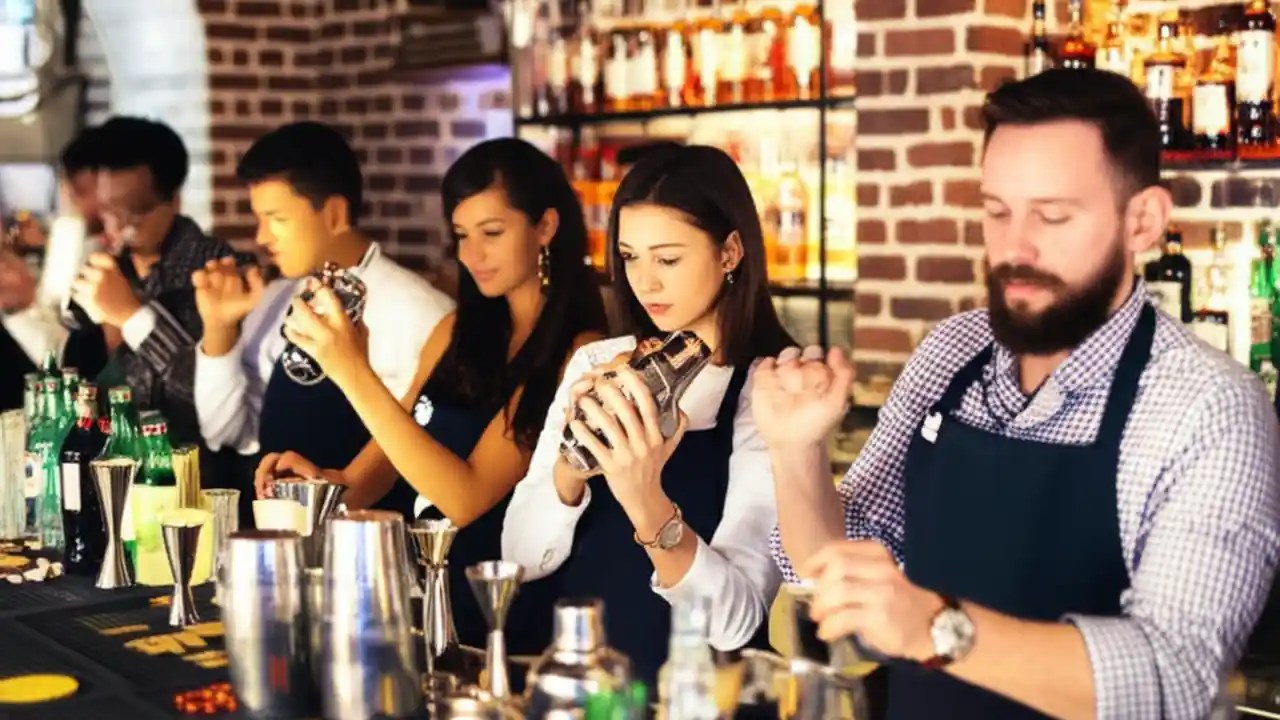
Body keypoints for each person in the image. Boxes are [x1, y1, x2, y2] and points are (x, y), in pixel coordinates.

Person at [759, 69, 1280, 719]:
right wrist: (795, 452)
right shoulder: (950, 353)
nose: (1014, 247)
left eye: (1053, 216)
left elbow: (1171, 680)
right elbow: (833, 568)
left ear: (1143, 221)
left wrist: (939, 629)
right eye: (996, 212)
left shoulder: (1206, 406)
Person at [251, 137, 608, 649]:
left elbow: (466, 497)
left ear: (546, 226)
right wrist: (316, 482)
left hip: (508, 611)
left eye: (492, 232)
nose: (472, 254)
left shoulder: (578, 353)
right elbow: (373, 473)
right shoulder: (455, 332)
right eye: (461, 235)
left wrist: (353, 369)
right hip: (428, 597)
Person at [502, 145, 791, 685]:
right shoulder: (596, 363)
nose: (645, 282)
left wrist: (644, 499)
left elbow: (735, 624)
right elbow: (518, 558)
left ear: (730, 252)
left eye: (669, 258)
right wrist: (572, 462)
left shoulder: (767, 389)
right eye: (630, 256)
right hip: (571, 677)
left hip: (685, 693)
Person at [193, 121, 453, 520]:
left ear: (333, 213)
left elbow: (416, 455)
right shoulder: (277, 298)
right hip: (271, 529)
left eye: (276, 217)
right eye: (258, 218)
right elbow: (225, 433)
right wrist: (219, 330)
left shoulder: (419, 314)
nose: (261, 236)